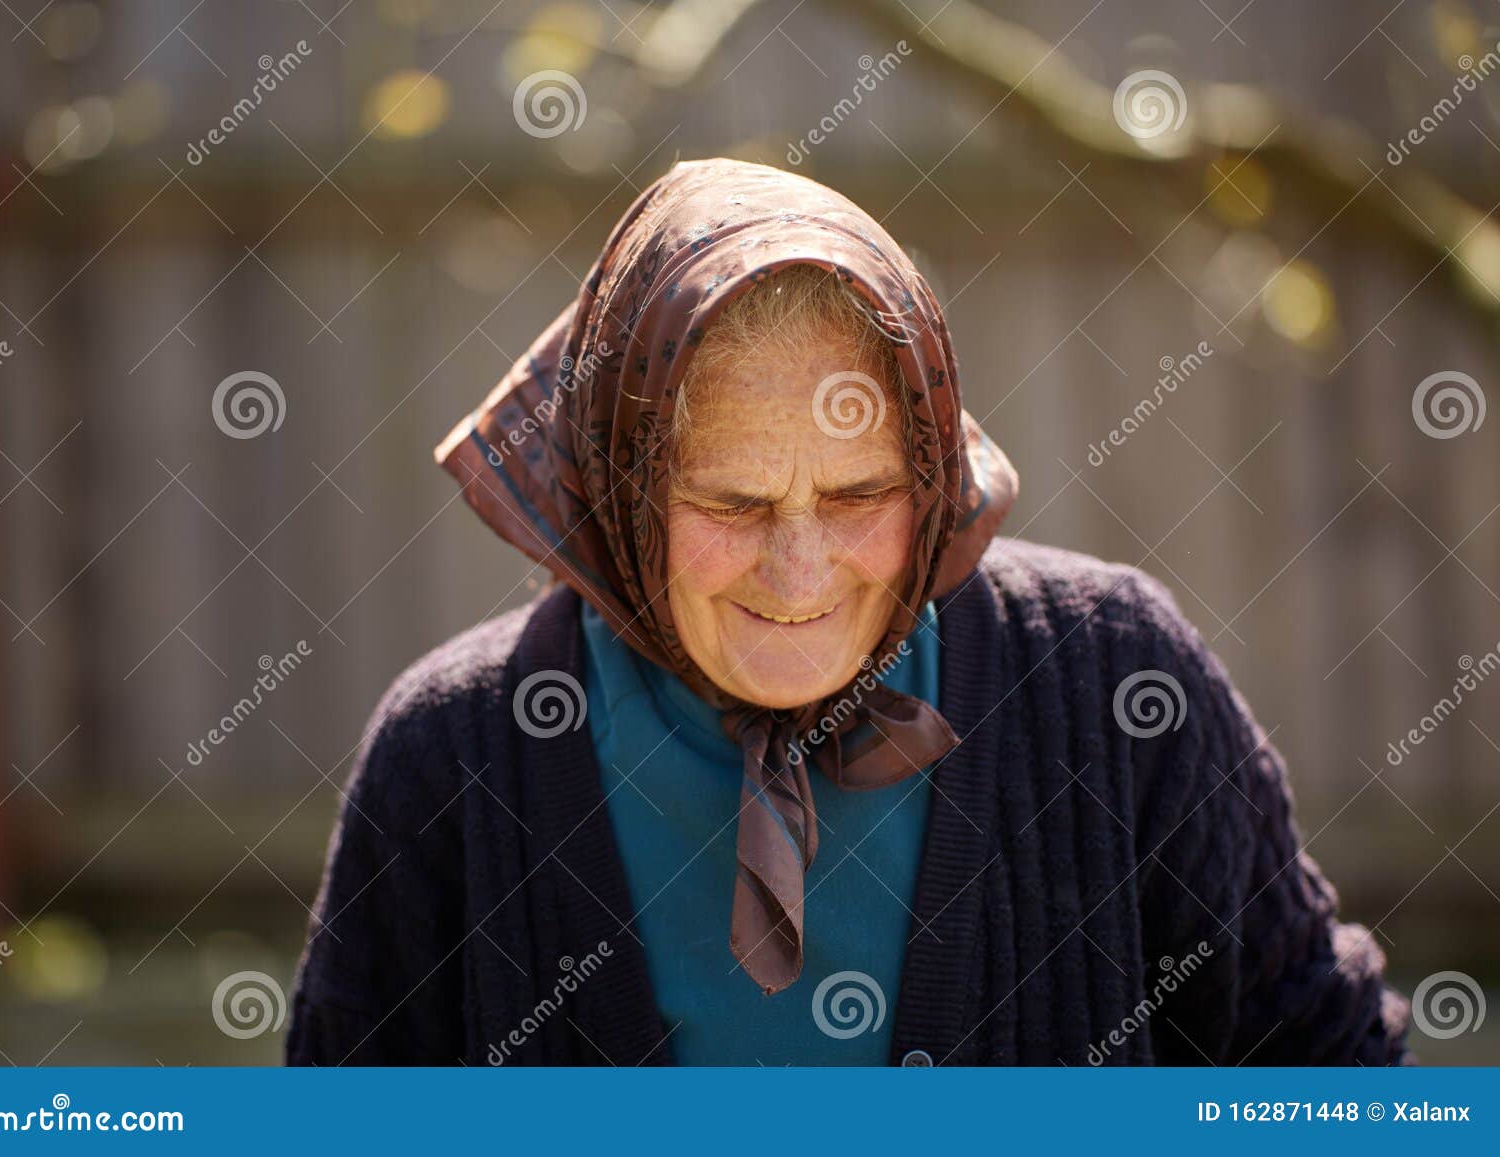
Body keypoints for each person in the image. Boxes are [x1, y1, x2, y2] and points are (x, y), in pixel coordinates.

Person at [285, 157, 1410, 1066]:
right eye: (731, 501)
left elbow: (1329, 1079)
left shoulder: (1113, 687)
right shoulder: (457, 755)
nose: (801, 572)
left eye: (859, 493)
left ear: (932, 472)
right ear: (621, 494)